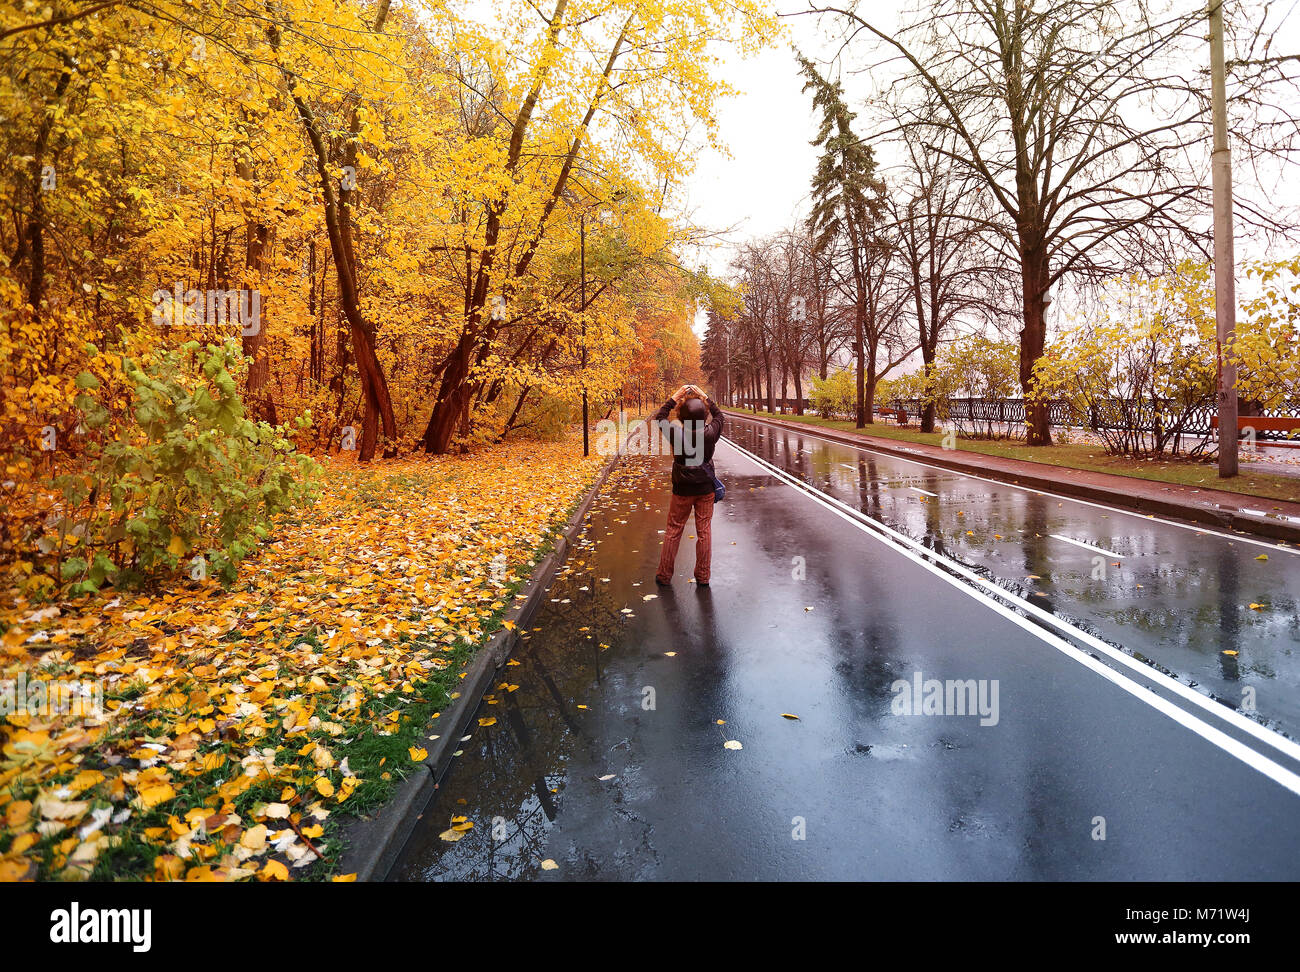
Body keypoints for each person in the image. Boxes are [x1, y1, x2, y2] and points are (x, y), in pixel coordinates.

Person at [653, 384, 724, 587]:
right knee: (704, 532)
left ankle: (664, 575)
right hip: (705, 489)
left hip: (682, 489)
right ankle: (703, 576)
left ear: (682, 417)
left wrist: (675, 397)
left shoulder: (675, 433)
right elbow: (720, 416)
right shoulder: (711, 433)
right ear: (704, 415)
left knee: (673, 530)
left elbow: (660, 416)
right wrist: (705, 397)